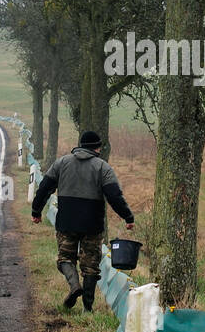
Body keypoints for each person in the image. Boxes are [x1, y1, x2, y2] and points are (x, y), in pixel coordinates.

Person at [31, 130, 135, 312]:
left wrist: (36, 211)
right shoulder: (103, 167)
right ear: (98, 147)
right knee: (91, 266)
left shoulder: (61, 162)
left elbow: (44, 188)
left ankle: (74, 286)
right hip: (92, 224)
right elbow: (114, 196)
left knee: (65, 258)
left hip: (66, 221)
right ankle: (88, 308)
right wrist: (128, 217)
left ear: (80, 145)